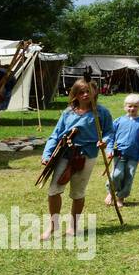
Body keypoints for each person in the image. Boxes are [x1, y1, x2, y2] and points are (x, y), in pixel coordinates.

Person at [39, 80, 114, 238]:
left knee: (77, 192)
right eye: (81, 92)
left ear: (95, 92)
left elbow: (109, 132)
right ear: (75, 95)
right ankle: (53, 226)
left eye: (88, 91)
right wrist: (47, 154)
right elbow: (55, 135)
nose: (85, 94)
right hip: (65, 154)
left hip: (86, 156)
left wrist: (105, 141)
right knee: (53, 191)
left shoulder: (101, 112)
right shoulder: (68, 112)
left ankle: (73, 226)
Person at [105, 94, 139, 207]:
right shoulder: (118, 121)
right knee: (117, 174)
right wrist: (109, 149)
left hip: (134, 155)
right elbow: (111, 136)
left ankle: (121, 197)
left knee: (129, 176)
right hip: (118, 153)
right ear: (125, 107)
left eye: (135, 106)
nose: (132, 109)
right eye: (130, 106)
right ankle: (111, 192)